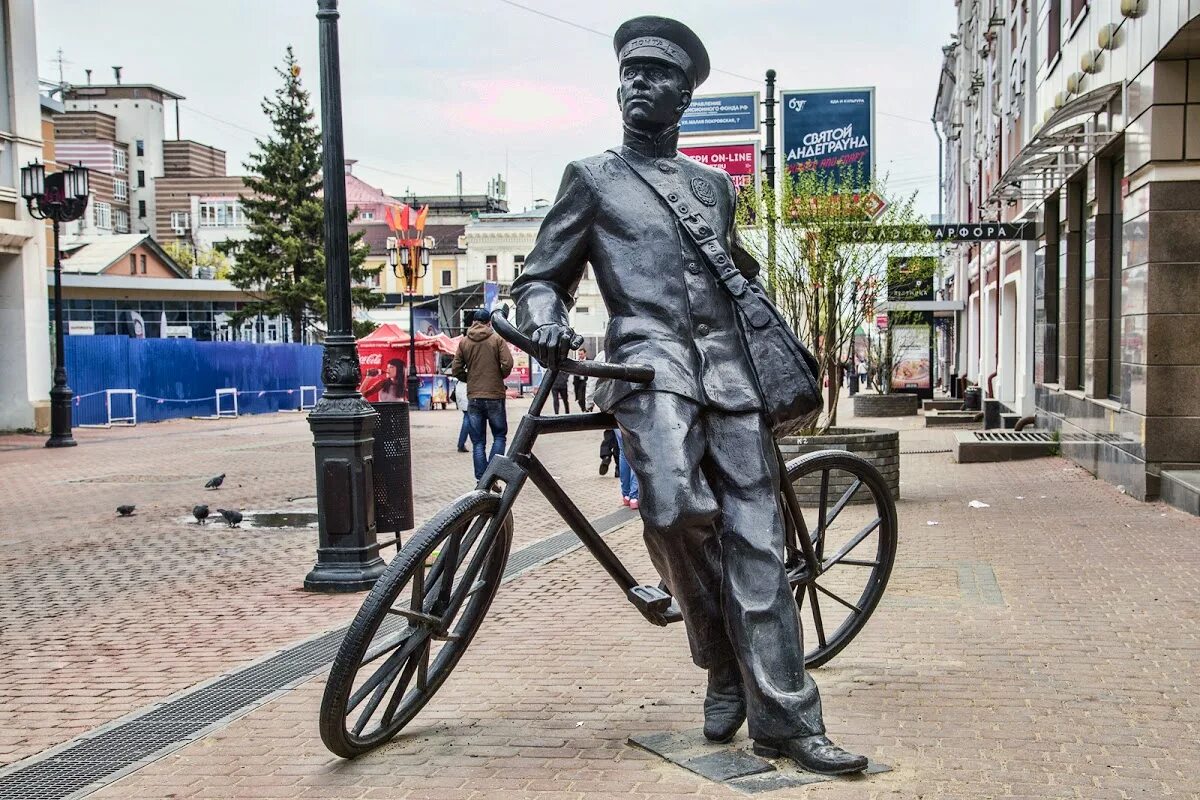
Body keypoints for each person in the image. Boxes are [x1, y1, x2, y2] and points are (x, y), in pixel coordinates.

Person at [511, 16, 867, 775]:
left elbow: (734, 279)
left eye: (658, 74)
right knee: (674, 510)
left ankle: (787, 723)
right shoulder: (593, 178)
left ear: (685, 95)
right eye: (631, 71)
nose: (640, 81)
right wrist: (541, 318)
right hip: (650, 368)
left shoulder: (714, 187)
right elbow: (542, 275)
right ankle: (719, 658)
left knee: (758, 545)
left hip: (731, 376)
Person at [451, 309, 514, 480]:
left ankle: (481, 479)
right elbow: (508, 363)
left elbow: (455, 369)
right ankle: (492, 475)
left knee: (478, 442)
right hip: (495, 395)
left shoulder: (464, 342)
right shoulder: (496, 339)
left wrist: (469, 378)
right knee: (499, 436)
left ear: (473, 322)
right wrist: (499, 376)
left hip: (474, 396)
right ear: (489, 323)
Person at [453, 376, 471, 453]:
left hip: (461, 389)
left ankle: (462, 443)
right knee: (468, 418)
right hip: (467, 391)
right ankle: (461, 443)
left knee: (469, 418)